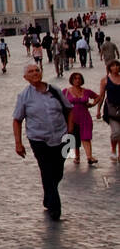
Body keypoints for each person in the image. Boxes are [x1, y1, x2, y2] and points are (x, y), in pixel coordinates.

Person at [12, 62, 74, 220]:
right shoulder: (24, 96)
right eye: (31, 72)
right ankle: (55, 209)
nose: (35, 73)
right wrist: (18, 143)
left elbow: (69, 109)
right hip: (39, 139)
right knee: (47, 171)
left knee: (58, 172)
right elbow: (17, 120)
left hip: (62, 136)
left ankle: (48, 197)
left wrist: (70, 130)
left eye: (37, 70)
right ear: (25, 77)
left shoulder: (55, 90)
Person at [64, 72, 97, 166]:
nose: (77, 80)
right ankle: (77, 156)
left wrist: (93, 104)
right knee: (74, 137)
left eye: (79, 78)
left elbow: (97, 96)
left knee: (86, 137)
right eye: (75, 78)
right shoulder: (66, 91)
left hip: (85, 116)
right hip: (72, 118)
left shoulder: (86, 91)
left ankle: (89, 157)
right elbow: (58, 101)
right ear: (72, 80)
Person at [94, 59, 120, 162]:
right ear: (109, 68)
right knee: (116, 132)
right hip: (111, 109)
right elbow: (101, 95)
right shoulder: (105, 80)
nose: (115, 68)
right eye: (113, 66)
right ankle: (113, 149)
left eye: (117, 65)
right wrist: (98, 110)